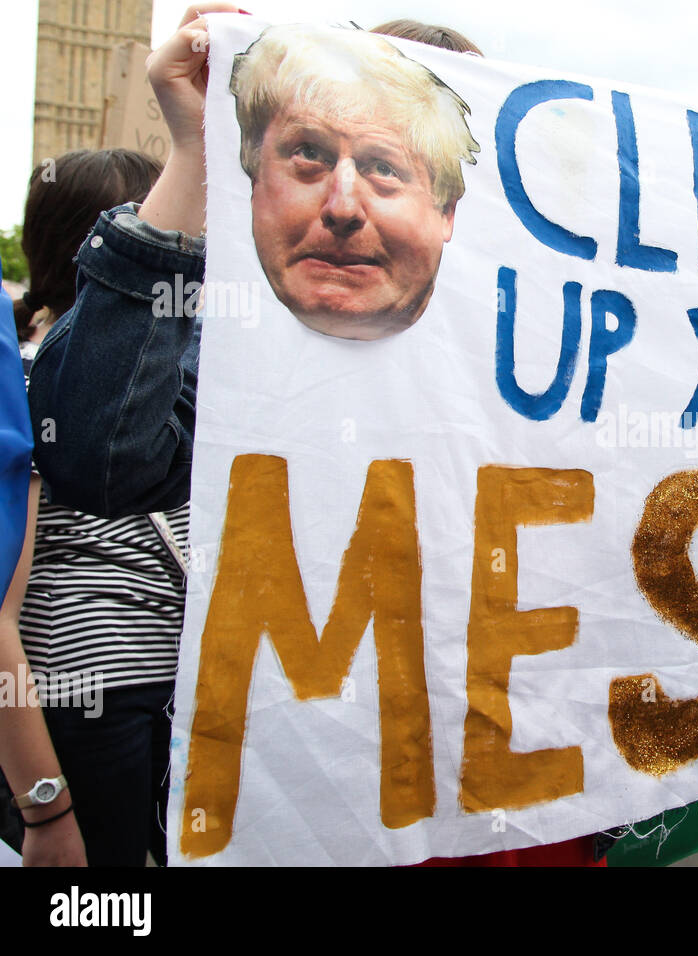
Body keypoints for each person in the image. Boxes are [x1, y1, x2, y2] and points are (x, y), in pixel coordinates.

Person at [27, 3, 605, 868]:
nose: (347, 205)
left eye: (392, 164)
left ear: (456, 200)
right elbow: (97, 460)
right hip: (320, 814)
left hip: (513, 809)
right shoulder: (247, 340)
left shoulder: (565, 357)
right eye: (320, 150)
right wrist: (191, 155)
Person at [0, 149, 179, 867]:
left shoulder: (161, 369)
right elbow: (3, 610)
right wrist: (47, 804)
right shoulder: (40, 377)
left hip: (154, 695)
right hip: (88, 702)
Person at [231, 22, 480, 341]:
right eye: (309, 152)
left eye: (384, 168)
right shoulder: (198, 356)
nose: (342, 207)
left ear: (447, 210)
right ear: (253, 174)